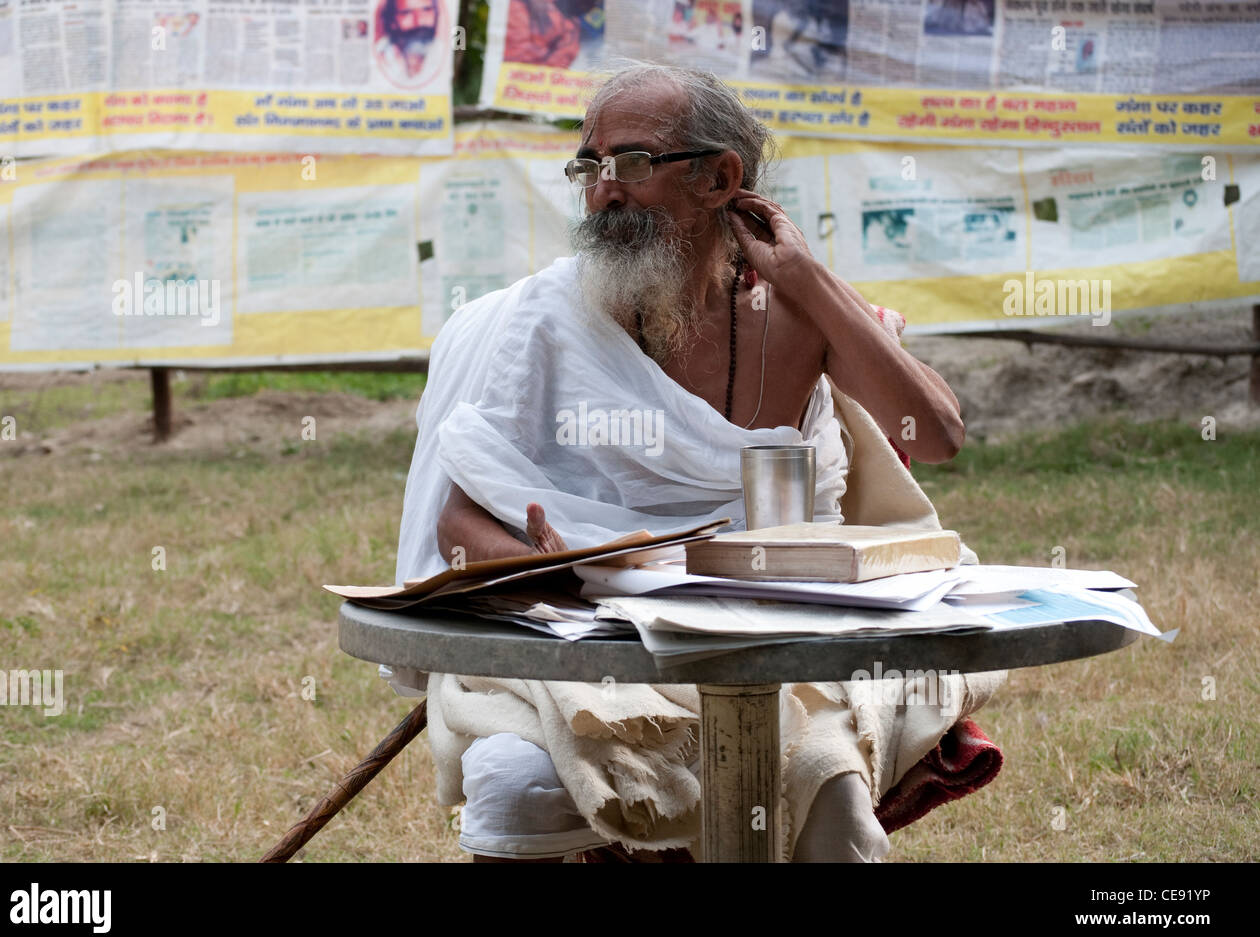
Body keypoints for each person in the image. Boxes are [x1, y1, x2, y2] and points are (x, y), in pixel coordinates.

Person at [390, 64, 1004, 862]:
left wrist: (806, 278)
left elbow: (939, 433)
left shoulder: (795, 311)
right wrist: (581, 571)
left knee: (825, 789)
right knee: (519, 784)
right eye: (591, 166)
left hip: (779, 643)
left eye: (634, 165)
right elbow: (461, 526)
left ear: (721, 178)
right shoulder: (547, 319)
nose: (605, 189)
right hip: (591, 650)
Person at [375, 0, 445, 88]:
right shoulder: (379, 54)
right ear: (392, 22)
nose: (419, 21)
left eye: (426, 10)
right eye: (406, 13)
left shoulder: (443, 53)